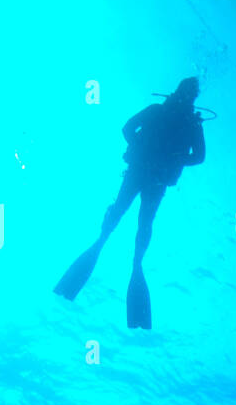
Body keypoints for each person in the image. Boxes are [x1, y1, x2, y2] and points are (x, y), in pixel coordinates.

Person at [54, 77, 206, 329]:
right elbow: (197, 157)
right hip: (150, 175)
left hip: (145, 173)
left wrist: (149, 152)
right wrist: (169, 158)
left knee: (129, 216)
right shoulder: (184, 121)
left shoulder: (170, 115)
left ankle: (114, 250)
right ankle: (129, 259)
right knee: (139, 220)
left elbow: (127, 129)